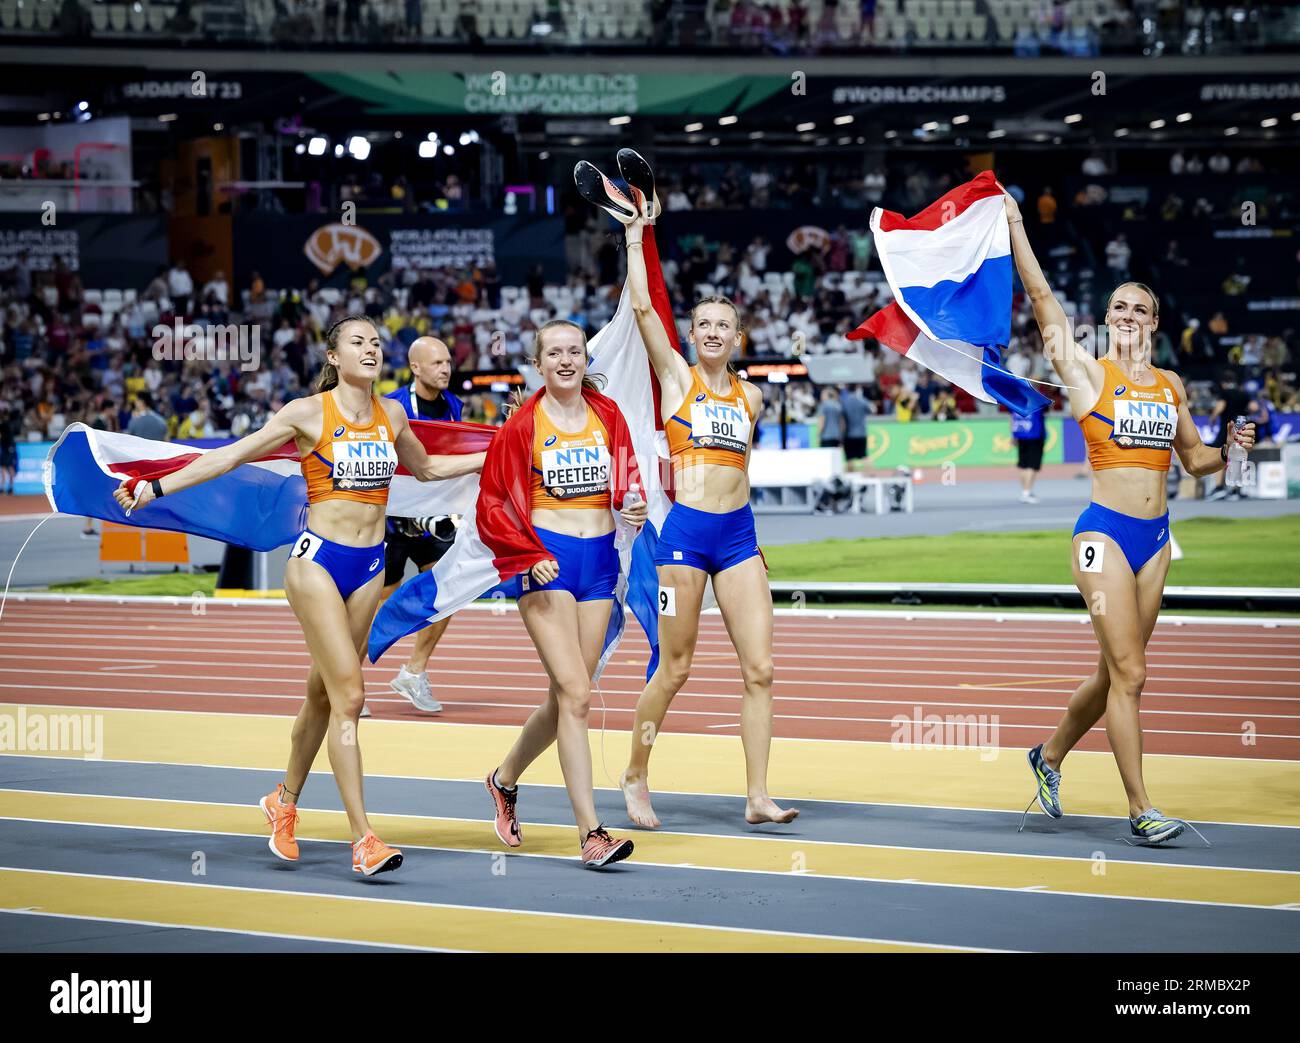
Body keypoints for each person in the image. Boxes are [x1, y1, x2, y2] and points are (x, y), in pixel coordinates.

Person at [114, 316, 486, 875]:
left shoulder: (392, 414)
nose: (371, 349)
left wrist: (497, 451)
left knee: (322, 695)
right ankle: (363, 839)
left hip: (367, 568)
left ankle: (282, 803)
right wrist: (157, 486)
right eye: (357, 342)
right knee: (352, 698)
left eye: (376, 343)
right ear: (334, 357)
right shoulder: (307, 412)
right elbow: (232, 455)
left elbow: (428, 468)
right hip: (317, 565)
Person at [1005, 194, 1256, 845]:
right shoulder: (1089, 373)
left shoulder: (1171, 385)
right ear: (1107, 319)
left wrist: (1232, 453)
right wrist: (1015, 227)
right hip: (1102, 537)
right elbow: (1040, 299)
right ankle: (1141, 808)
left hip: (1157, 540)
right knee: (1134, 674)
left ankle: (1049, 754)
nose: (1126, 315)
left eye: (1138, 308)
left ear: (1155, 320)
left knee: (1114, 670)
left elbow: (1197, 460)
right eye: (1118, 306)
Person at [616, 197, 797, 830]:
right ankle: (636, 774)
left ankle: (757, 795)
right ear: (693, 336)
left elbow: (739, 472)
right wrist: (638, 236)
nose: (714, 333)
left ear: (738, 338)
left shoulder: (752, 395)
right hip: (686, 537)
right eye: (705, 325)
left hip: (739, 535)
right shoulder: (675, 377)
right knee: (676, 667)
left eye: (725, 325)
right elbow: (642, 308)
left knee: (762, 669)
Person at [483, 319, 646, 868]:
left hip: (599, 567)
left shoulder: (609, 415)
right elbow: (492, 505)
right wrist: (528, 555)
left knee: (565, 697)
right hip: (545, 570)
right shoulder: (522, 427)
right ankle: (591, 833)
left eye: (574, 351)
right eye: (554, 353)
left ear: (584, 357)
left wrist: (633, 504)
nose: (566, 360)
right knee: (576, 694)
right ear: (538, 364)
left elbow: (628, 478)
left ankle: (503, 779)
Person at [369, 336, 466, 713]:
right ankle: (347, 683)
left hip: (436, 521)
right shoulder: (391, 406)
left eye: (447, 362)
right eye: (437, 363)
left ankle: (414, 671)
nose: (445, 369)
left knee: (447, 594)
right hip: (393, 523)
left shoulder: (455, 406)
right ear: (415, 368)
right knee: (370, 607)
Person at [1011, 407, 1046, 503]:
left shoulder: (1017, 401)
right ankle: (1026, 492)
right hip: (1034, 436)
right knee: (1031, 465)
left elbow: (1012, 418)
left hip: (1021, 434)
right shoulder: (1037, 401)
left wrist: (1013, 435)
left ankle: (1025, 491)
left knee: (1023, 464)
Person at [841, 385, 869, 471]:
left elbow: (841, 418)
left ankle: (850, 479)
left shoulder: (844, 401)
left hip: (849, 434)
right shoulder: (862, 400)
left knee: (849, 458)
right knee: (864, 456)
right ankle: (872, 475)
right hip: (861, 433)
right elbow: (871, 410)